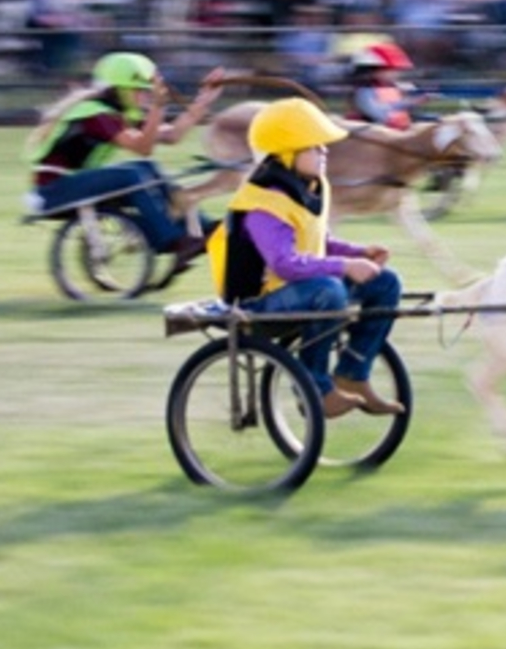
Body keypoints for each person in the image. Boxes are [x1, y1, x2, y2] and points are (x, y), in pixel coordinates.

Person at [207, 98, 404, 418]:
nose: (325, 152)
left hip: (299, 291)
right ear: (286, 154)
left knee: (386, 284)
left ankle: (353, 375)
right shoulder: (263, 203)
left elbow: (317, 242)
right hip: (257, 303)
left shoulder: (311, 187)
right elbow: (283, 263)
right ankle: (314, 386)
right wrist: (345, 266)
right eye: (313, 147)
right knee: (329, 289)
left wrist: (358, 253)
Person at [26, 52, 225, 272]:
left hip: (74, 185)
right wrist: (158, 109)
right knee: (132, 175)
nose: (145, 98)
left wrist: (203, 101)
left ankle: (204, 229)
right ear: (120, 89)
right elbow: (143, 148)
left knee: (147, 170)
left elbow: (172, 135)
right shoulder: (96, 116)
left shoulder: (113, 115)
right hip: (54, 190)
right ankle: (173, 241)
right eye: (140, 91)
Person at [346, 40, 420, 129]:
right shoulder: (364, 91)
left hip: (392, 131)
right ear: (371, 71)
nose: (396, 74)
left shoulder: (398, 87)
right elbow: (378, 114)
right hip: (370, 134)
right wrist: (406, 103)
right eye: (390, 70)